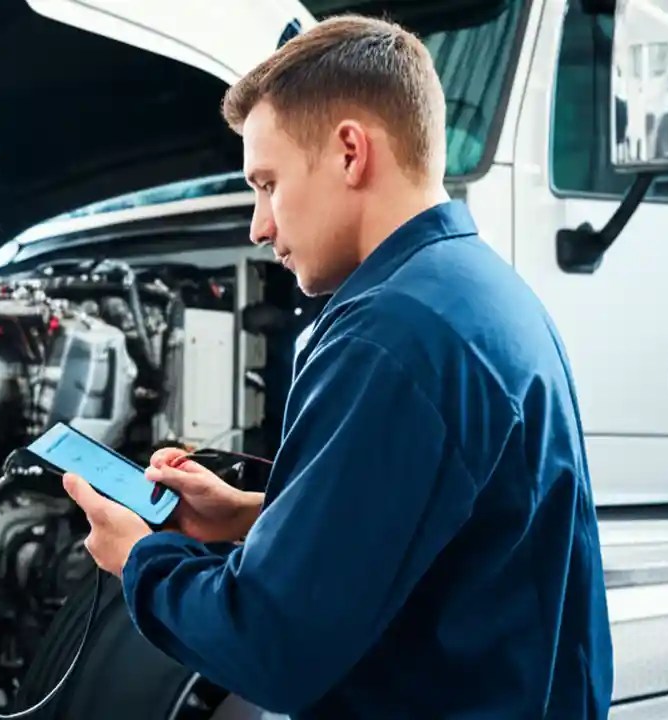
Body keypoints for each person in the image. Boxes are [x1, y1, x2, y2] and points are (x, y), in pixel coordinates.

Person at [61, 14, 613, 719]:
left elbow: (269, 645)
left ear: (350, 152)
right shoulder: (475, 292)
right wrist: (251, 518)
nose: (260, 226)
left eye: (267, 183)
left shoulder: (389, 335)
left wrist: (139, 559)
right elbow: (435, 527)